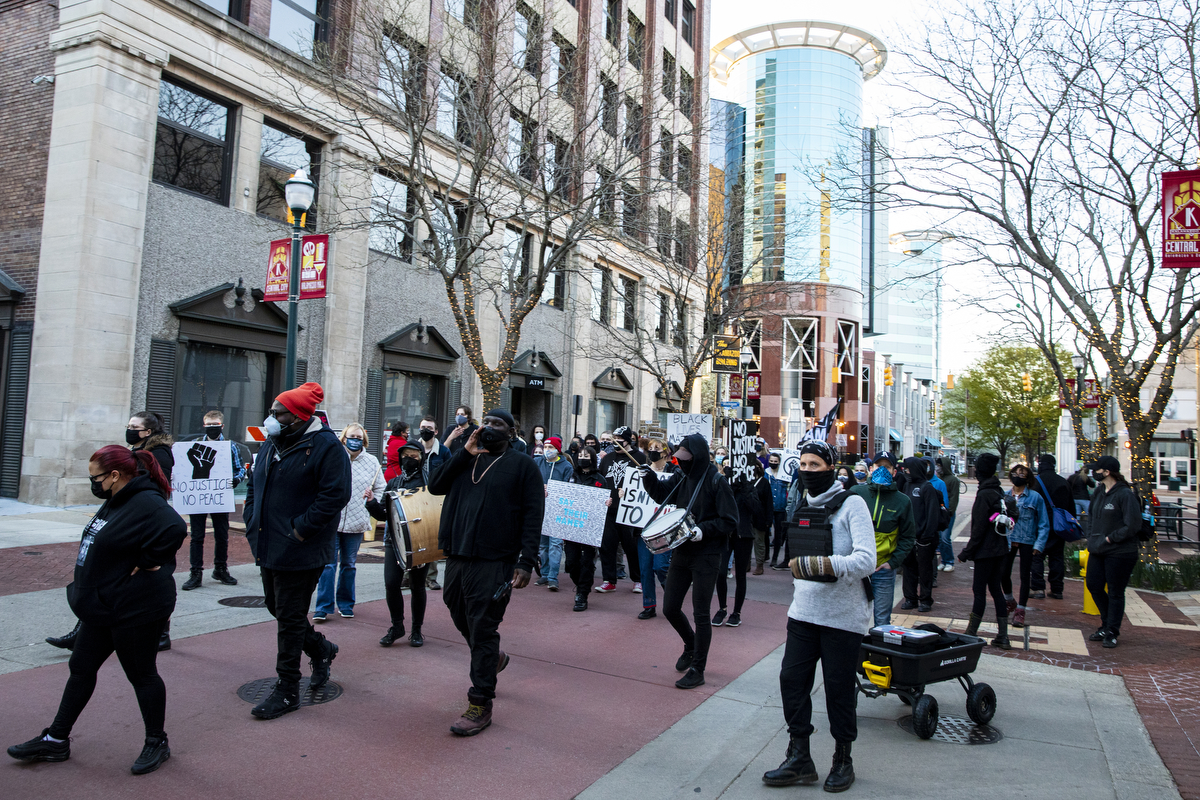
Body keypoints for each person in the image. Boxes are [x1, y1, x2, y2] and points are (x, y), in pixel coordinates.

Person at [8, 445, 186, 774]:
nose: (93, 483)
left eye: (96, 477)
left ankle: (156, 741)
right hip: (104, 605)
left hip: (136, 607)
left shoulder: (145, 501)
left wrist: (148, 561)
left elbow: (175, 527)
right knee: (81, 667)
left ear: (116, 475)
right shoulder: (117, 500)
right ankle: (56, 739)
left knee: (142, 675)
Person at [761, 440, 875, 792]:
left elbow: (866, 560)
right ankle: (800, 757)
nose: (808, 471)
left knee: (839, 690)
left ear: (831, 466)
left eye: (815, 465)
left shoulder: (852, 503)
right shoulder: (802, 504)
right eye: (804, 465)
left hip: (842, 617)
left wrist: (825, 564)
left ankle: (843, 759)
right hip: (804, 613)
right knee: (791, 682)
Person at [428, 408, 543, 736]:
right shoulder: (465, 458)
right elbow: (435, 485)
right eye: (486, 422)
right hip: (457, 553)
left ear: (511, 431)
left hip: (496, 560)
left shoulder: (523, 465)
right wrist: (463, 452)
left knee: (483, 625)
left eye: (497, 424)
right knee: (456, 609)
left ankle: (480, 702)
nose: (489, 428)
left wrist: (525, 561)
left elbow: (534, 515)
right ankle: (490, 657)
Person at [242, 382, 351, 719]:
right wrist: (251, 520)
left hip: (301, 549)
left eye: (278, 413)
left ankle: (287, 689)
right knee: (278, 608)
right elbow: (254, 486)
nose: (270, 418)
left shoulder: (325, 446)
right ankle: (322, 649)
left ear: (299, 416)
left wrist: (300, 530)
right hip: (268, 544)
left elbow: (334, 496)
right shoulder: (272, 444)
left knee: (289, 619)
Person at [48, 410, 177, 653]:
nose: (129, 429)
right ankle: (84, 632)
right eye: (128, 424)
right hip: (133, 524)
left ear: (148, 432)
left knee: (154, 580)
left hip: (144, 527)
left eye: (133, 426)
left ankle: (160, 632)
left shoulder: (157, 455)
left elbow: (156, 497)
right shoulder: (135, 452)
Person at [640, 434, 737, 690]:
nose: (681, 463)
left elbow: (730, 520)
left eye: (686, 459)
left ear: (699, 457)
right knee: (670, 607)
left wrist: (703, 530)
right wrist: (648, 478)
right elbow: (663, 495)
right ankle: (691, 644)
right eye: (679, 459)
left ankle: (699, 668)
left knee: (701, 613)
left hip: (707, 555)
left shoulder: (717, 481)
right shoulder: (682, 476)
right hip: (682, 550)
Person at [314, 424, 386, 622]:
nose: (355, 440)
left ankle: (346, 604)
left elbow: (381, 487)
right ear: (343, 438)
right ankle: (323, 606)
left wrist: (372, 499)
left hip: (357, 521)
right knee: (328, 564)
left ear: (364, 441)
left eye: (358, 437)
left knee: (349, 564)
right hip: (332, 520)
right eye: (351, 436)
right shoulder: (333, 457)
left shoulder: (372, 462)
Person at [367, 442, 433, 647]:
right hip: (394, 541)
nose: (409, 460)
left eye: (414, 456)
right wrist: (370, 502)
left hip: (421, 540)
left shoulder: (429, 482)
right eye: (405, 455)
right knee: (391, 583)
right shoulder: (394, 483)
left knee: (417, 586)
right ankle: (397, 626)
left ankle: (416, 630)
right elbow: (383, 514)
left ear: (421, 459)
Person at [850, 452, 916, 627]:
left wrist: (893, 562)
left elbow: (908, 536)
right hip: (856, 568)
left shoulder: (903, 501)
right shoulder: (856, 493)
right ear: (871, 469)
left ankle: (878, 653)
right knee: (852, 617)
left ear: (895, 472)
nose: (882, 470)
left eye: (887, 467)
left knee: (882, 621)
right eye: (879, 466)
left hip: (883, 570)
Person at [181, 411, 246, 591]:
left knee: (222, 534)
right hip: (199, 497)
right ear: (204, 426)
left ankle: (220, 568)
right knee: (197, 536)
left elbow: (240, 469)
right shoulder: (194, 445)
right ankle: (195, 573)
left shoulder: (230, 446)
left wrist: (236, 479)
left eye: (215, 425)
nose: (212, 428)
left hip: (220, 496)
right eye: (209, 425)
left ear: (222, 426)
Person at [1084, 456, 1142, 648]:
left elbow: (1132, 525)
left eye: (1097, 469)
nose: (1094, 472)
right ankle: (1106, 622)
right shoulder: (1099, 491)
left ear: (1107, 472)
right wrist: (1092, 537)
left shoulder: (1125, 494)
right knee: (1094, 584)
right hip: (1098, 548)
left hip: (1120, 551)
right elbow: (1091, 516)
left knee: (1116, 592)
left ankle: (1112, 630)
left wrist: (1110, 538)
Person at [958, 453, 1015, 650]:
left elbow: (979, 528)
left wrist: (966, 552)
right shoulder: (998, 492)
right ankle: (1003, 635)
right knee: (996, 591)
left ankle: (971, 632)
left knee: (979, 591)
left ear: (979, 471)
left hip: (985, 552)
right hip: (1000, 549)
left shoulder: (984, 494)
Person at [714, 463, 767, 627]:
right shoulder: (725, 484)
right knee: (721, 572)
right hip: (727, 534)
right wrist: (727, 482)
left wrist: (745, 486)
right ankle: (722, 608)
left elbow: (756, 509)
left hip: (744, 535)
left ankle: (736, 612)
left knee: (741, 575)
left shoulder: (749, 487)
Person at [595, 426, 645, 593]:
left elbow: (645, 483)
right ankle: (609, 579)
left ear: (628, 439)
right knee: (607, 545)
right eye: (613, 439)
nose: (616, 442)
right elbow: (600, 479)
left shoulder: (639, 457)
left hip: (629, 510)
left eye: (619, 439)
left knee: (631, 547)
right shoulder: (607, 458)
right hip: (609, 510)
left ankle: (638, 579)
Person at [1000, 463, 1049, 629]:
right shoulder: (1006, 496)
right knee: (1003, 573)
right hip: (1008, 539)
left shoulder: (1035, 497)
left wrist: (1039, 544)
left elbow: (1043, 523)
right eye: (1015, 472)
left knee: (1024, 576)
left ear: (1028, 479)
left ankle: (1020, 610)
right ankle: (1009, 600)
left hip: (1027, 540)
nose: (1018, 476)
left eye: (1022, 474)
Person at [565, 446, 612, 612]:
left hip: (590, 528)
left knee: (586, 561)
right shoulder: (572, 475)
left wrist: (607, 502)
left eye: (586, 455)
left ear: (592, 459)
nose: (582, 458)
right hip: (572, 527)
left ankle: (582, 594)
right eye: (580, 455)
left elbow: (604, 499)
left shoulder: (600, 478)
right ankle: (581, 584)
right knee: (571, 561)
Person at [636, 438, 676, 619]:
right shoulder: (640, 472)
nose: (652, 451)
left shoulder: (674, 472)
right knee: (645, 569)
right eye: (650, 448)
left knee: (661, 567)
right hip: (643, 528)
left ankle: (673, 600)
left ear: (666, 452)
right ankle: (649, 605)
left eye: (657, 448)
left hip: (663, 529)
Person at [1029, 454, 1074, 600]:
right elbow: (1071, 507)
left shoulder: (1035, 482)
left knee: (1037, 556)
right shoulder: (1063, 482)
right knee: (1057, 557)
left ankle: (1037, 588)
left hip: (1039, 524)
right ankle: (1057, 589)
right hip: (1059, 525)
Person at [900, 457, 941, 613]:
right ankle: (910, 598)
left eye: (908, 469)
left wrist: (927, 536)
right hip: (907, 537)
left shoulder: (926, 487)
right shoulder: (907, 485)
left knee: (925, 571)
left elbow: (932, 514)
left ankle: (925, 599)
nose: (906, 472)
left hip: (924, 539)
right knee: (908, 569)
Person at [413, 415, 449, 590]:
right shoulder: (413, 448)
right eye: (422, 427)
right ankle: (409, 575)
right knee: (413, 535)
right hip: (415, 498)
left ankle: (431, 577)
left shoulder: (443, 452)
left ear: (435, 431)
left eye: (429, 428)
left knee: (432, 537)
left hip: (434, 499)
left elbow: (449, 472)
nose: (425, 431)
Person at [534, 436, 574, 591]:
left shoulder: (566, 467)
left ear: (558, 449)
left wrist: (552, 490)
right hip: (540, 509)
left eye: (551, 447)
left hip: (558, 510)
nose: (547, 450)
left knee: (555, 544)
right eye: (545, 447)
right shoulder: (537, 463)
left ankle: (552, 577)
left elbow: (568, 489)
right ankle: (544, 573)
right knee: (543, 545)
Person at [936, 456, 963, 572]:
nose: (938, 467)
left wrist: (949, 511)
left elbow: (954, 498)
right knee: (941, 539)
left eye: (940, 465)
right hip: (940, 513)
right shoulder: (939, 479)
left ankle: (949, 561)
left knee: (945, 538)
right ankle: (944, 561)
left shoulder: (953, 480)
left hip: (948, 514)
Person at [749, 460, 774, 574]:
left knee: (759, 542)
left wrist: (769, 520)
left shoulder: (764, 482)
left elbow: (769, 502)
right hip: (747, 517)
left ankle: (760, 564)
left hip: (760, 517)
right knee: (746, 542)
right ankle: (747, 563)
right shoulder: (747, 481)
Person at [766, 453, 791, 569]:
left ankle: (775, 557)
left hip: (781, 507)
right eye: (772, 460)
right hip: (768, 507)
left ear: (779, 462)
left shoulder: (784, 475)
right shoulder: (766, 473)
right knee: (765, 532)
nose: (773, 463)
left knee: (778, 534)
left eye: (776, 461)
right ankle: (765, 554)